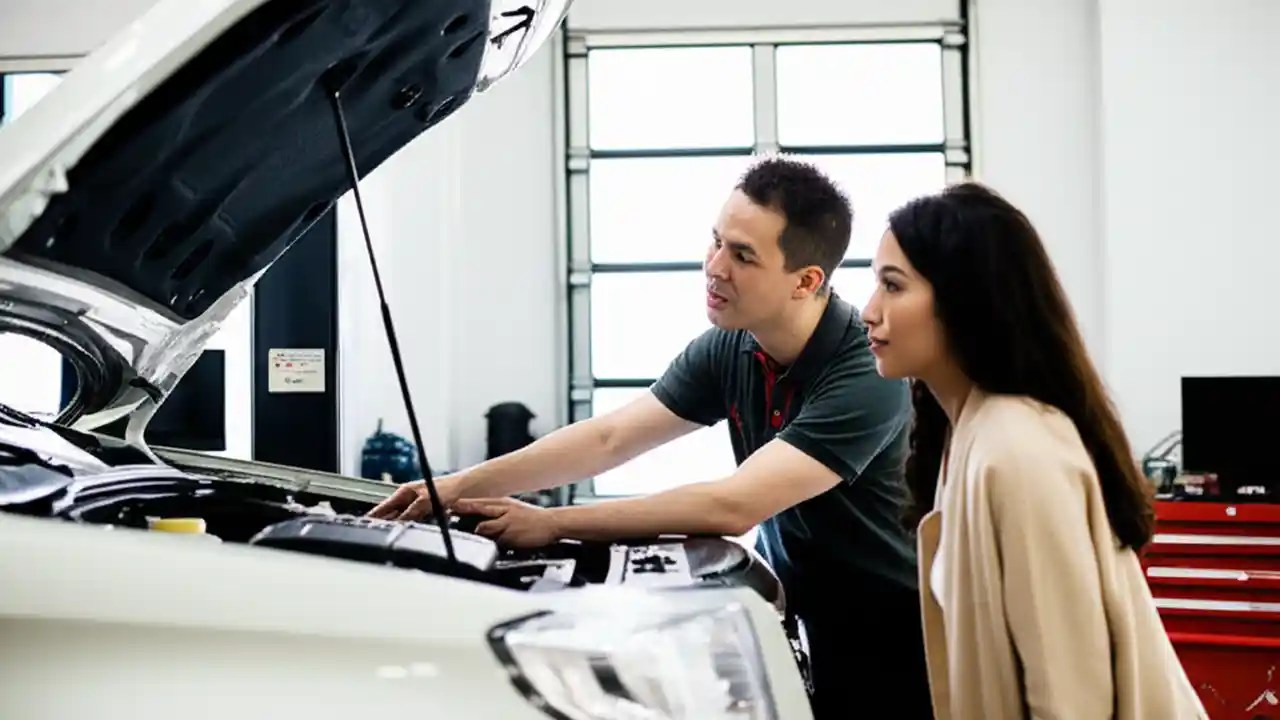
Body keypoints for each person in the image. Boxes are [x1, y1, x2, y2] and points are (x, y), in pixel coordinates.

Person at [370, 156, 932, 718]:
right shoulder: (730, 348)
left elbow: (733, 504)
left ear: (806, 281)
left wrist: (552, 522)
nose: (714, 267)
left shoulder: (868, 372)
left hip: (897, 636)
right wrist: (454, 485)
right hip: (806, 615)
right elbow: (611, 438)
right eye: (715, 242)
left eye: (742, 256)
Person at [860, 181, 1208, 719]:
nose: (869, 310)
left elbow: (1072, 700)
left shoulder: (1017, 448)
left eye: (893, 286)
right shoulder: (969, 433)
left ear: (963, 301)